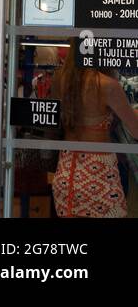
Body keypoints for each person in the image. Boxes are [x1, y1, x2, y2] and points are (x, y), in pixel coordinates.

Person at [51, 43, 138, 218]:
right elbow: (136, 129)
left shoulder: (60, 78)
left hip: (65, 171)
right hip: (99, 174)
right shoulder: (107, 85)